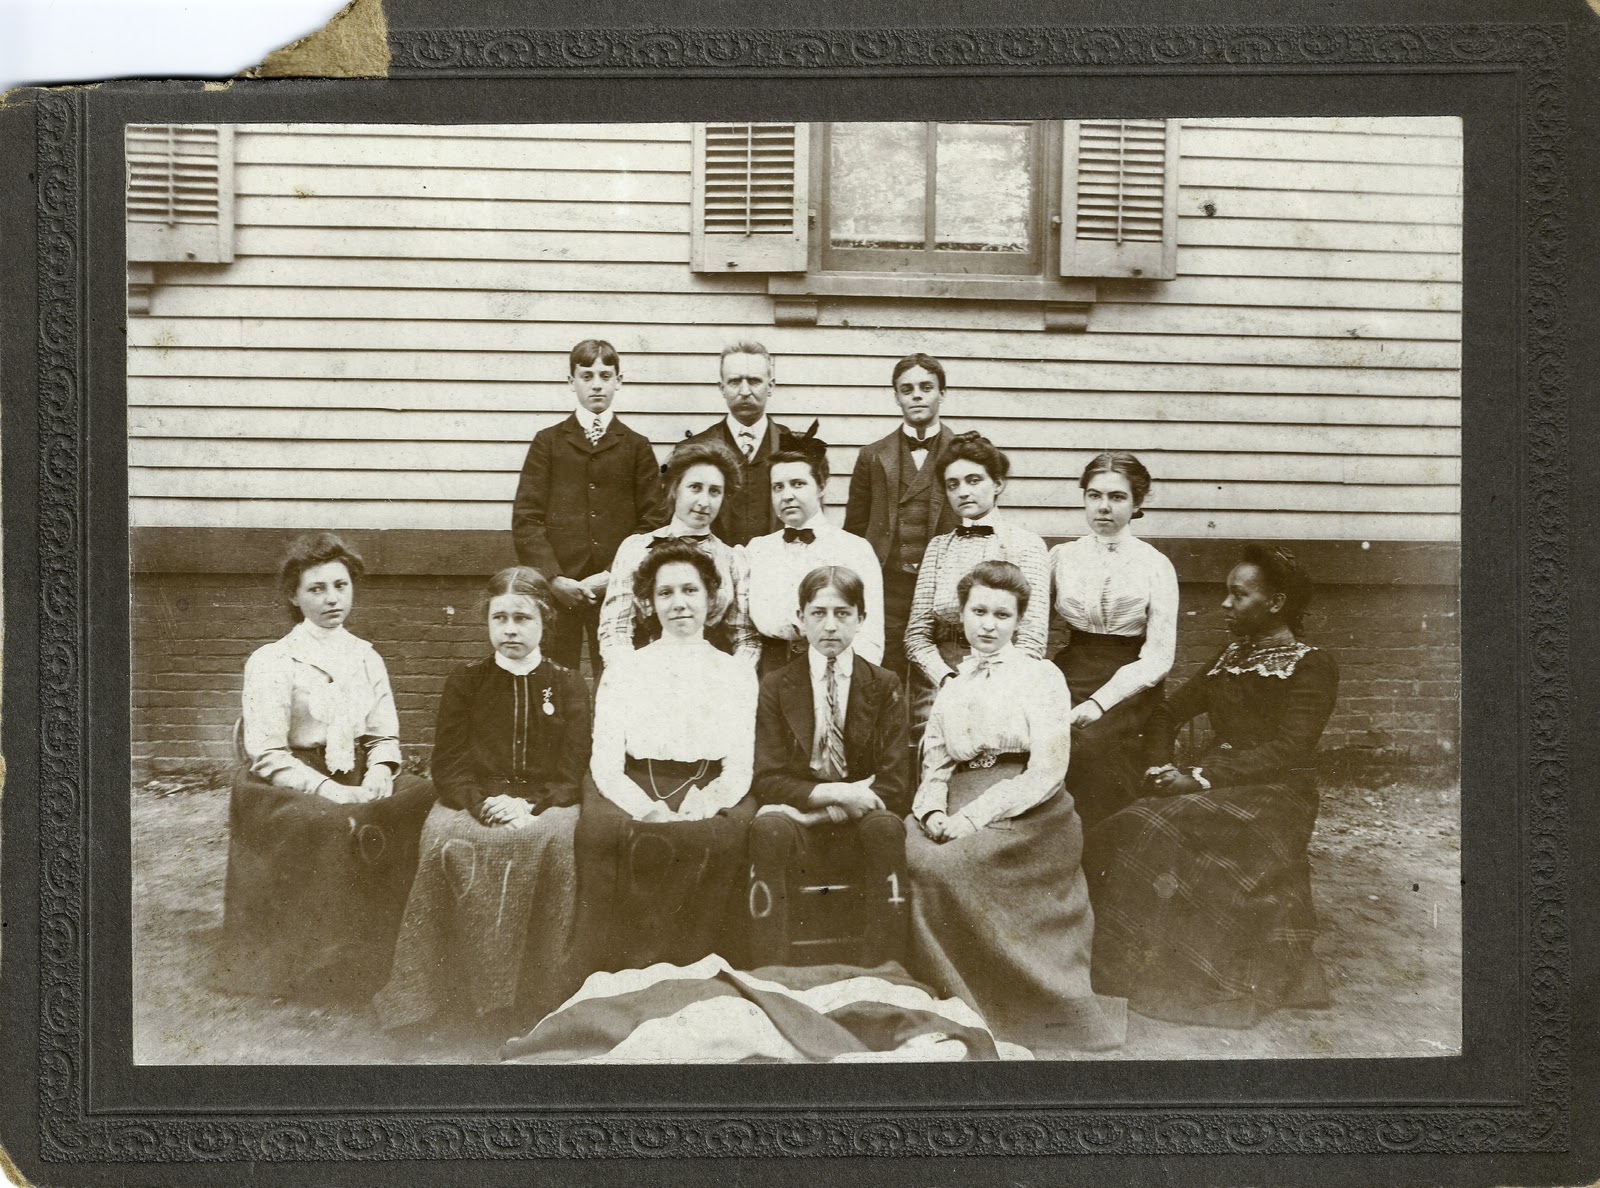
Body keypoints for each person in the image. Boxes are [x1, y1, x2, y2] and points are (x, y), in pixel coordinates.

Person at [1084, 545, 1339, 1029]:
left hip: (1276, 794)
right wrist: (1161, 765)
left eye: (1237, 595)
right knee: (1131, 821)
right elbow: (1167, 711)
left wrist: (1199, 778)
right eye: (1226, 593)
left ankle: (1169, 965)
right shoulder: (1231, 655)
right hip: (1217, 786)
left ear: (1277, 602)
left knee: (1151, 825)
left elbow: (1291, 750)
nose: (1224, 604)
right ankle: (1129, 955)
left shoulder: (1313, 664)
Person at [905, 561, 1126, 1052]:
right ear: (961, 615)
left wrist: (970, 819)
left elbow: (1046, 771)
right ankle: (949, 995)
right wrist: (933, 813)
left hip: (1029, 808)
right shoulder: (953, 685)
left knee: (954, 862)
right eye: (978, 610)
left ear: (1018, 621)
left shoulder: (1040, 676)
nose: (988, 624)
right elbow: (936, 765)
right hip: (958, 795)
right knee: (916, 853)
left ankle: (1003, 1002)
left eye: (1002, 615)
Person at [217, 532, 434, 1002]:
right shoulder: (273, 660)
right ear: (294, 596)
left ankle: (388, 951)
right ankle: (318, 965)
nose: (332, 599)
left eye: (341, 585)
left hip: (356, 769)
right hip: (290, 779)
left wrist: (379, 773)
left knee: (420, 797)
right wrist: (332, 791)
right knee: (331, 821)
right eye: (316, 589)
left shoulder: (366, 656)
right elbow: (269, 753)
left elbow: (382, 734)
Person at [374, 568, 590, 1035]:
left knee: (553, 841)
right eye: (500, 618)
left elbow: (573, 770)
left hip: (546, 804)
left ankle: (535, 997)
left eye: (522, 618)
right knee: (443, 838)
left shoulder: (569, 684)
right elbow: (448, 765)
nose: (510, 629)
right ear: (487, 622)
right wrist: (483, 802)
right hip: (473, 801)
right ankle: (433, 994)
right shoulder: (466, 681)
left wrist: (531, 805)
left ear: (545, 623)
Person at [575, 540, 759, 974]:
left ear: (711, 599)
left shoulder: (734, 672)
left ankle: (706, 972)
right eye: (666, 593)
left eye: (690, 591)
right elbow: (605, 764)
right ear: (647, 602)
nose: (679, 603)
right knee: (613, 838)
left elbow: (740, 765)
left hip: (708, 788)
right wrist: (647, 810)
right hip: (637, 787)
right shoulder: (625, 670)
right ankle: (621, 972)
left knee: (717, 838)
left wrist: (707, 802)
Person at [748, 565, 910, 969]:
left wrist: (817, 815)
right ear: (800, 619)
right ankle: (772, 969)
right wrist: (839, 794)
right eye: (818, 613)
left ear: (862, 619)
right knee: (767, 828)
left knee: (888, 828)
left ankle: (883, 968)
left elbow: (893, 781)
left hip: (860, 818)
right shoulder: (776, 684)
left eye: (843, 613)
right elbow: (768, 777)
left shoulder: (885, 684)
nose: (831, 626)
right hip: (799, 810)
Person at [511, 338, 668, 675]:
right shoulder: (548, 442)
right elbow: (527, 518)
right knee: (553, 678)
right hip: (558, 593)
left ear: (619, 381)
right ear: (571, 382)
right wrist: (553, 579)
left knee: (618, 677)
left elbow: (654, 521)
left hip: (617, 591)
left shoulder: (637, 446)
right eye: (586, 375)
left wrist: (614, 575)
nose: (597, 384)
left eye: (605, 375)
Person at [1047, 452, 1179, 829]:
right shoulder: (1061, 557)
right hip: (1071, 670)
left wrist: (1099, 703)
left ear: (1137, 502)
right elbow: (1032, 630)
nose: (1103, 507)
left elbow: (1158, 658)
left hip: (1130, 682)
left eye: (1117, 497)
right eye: (1093, 495)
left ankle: (1099, 852)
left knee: (1090, 750)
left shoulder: (1155, 565)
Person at [902, 431, 1049, 728]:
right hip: (942, 675)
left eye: (974, 480)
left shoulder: (1027, 545)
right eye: (952, 484)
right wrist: (945, 677)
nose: (962, 492)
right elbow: (916, 635)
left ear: (997, 483)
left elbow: (1032, 639)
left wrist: (995, 683)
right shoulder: (939, 547)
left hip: (1006, 675)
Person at [844, 353, 959, 686]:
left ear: (942, 393)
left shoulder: (962, 453)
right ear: (896, 396)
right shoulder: (872, 455)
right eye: (907, 389)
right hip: (887, 586)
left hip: (943, 587)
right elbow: (854, 528)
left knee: (936, 678)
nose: (917, 395)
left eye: (926, 387)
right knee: (887, 675)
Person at [596, 438, 759, 666]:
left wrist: (733, 676)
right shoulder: (637, 549)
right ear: (675, 489)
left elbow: (746, 638)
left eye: (715, 491)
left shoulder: (733, 559)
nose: (704, 501)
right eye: (695, 488)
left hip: (711, 675)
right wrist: (629, 676)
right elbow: (616, 630)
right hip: (646, 671)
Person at [741, 439, 884, 676]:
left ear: (821, 486)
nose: (786, 495)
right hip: (770, 669)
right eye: (778, 487)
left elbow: (869, 635)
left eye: (798, 484)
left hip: (834, 667)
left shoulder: (854, 549)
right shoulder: (757, 550)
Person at [687, 340, 800, 546]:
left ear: (770, 386)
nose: (745, 391)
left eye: (755, 381)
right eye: (735, 381)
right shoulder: (695, 448)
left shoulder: (795, 447)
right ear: (722, 388)